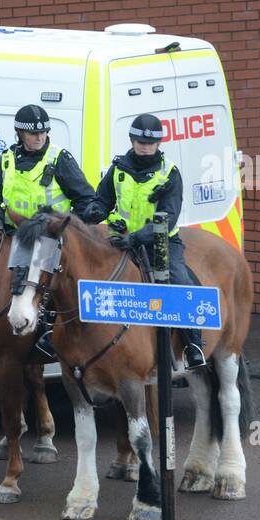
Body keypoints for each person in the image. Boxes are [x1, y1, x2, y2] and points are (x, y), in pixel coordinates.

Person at [83, 113, 206, 369]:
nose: (144, 146)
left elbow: (169, 219)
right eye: (140, 141)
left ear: (159, 143)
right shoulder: (118, 169)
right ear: (132, 140)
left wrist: (137, 238)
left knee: (181, 280)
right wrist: (95, 211)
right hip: (121, 239)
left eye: (149, 143)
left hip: (160, 243)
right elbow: (102, 200)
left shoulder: (170, 173)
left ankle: (193, 344)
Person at [0, 104, 94, 358]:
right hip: (12, 234)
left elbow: (87, 199)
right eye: (34, 134)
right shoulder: (7, 158)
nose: (40, 137)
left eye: (44, 132)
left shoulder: (58, 158)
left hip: (49, 238)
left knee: (33, 283)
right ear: (20, 133)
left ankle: (47, 334)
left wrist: (68, 229)